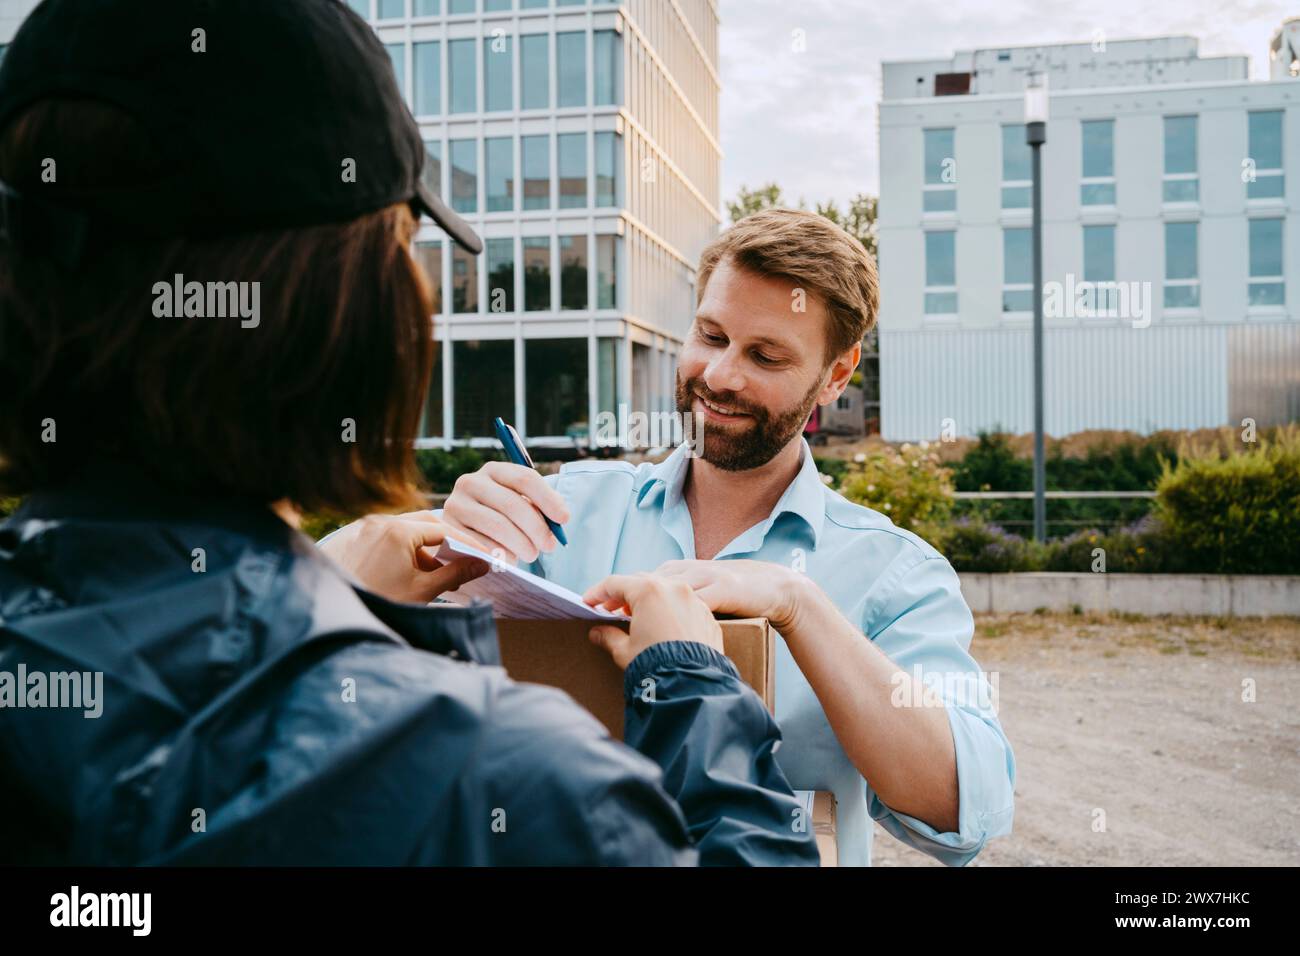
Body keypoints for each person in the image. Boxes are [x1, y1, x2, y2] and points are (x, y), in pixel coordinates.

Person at [0, 0, 818, 867]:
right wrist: (692, 686)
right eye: (405, 251)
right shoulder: (504, 784)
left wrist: (325, 597)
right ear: (351, 316)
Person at [390, 209, 1017, 867]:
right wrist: (446, 543)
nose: (720, 375)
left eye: (765, 355)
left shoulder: (896, 574)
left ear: (836, 375)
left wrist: (799, 606)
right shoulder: (564, 513)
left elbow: (962, 808)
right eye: (710, 335)